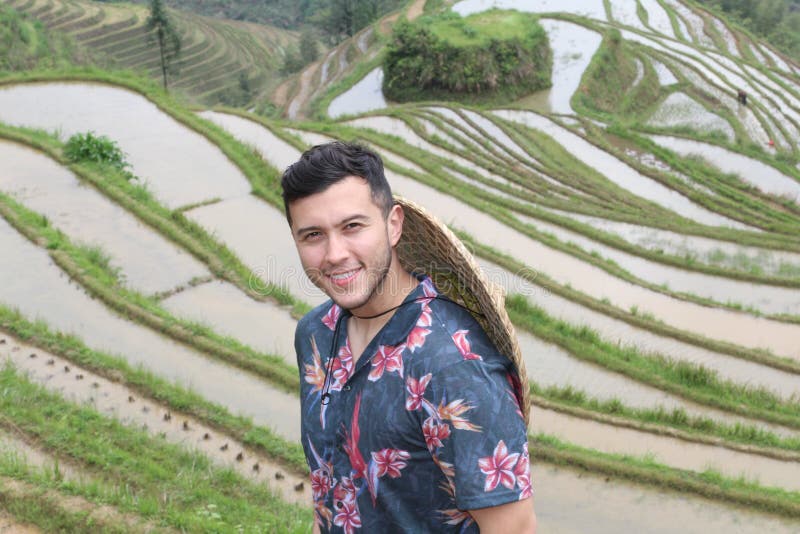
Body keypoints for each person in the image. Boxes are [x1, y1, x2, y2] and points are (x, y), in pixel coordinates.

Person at [281, 141, 537, 533]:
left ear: (393, 224)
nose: (334, 254)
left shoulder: (453, 363)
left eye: (353, 226)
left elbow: (514, 528)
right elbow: (331, 489)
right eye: (313, 235)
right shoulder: (316, 334)